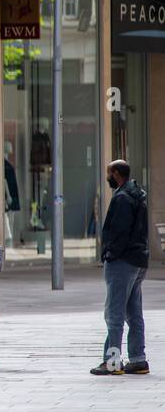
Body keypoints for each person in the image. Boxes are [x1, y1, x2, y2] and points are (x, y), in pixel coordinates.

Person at [92, 160, 150, 375]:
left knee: (114, 313)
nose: (107, 177)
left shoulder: (123, 198)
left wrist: (110, 254)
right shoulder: (137, 195)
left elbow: (118, 232)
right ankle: (138, 359)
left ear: (116, 174)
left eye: (109, 173)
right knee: (134, 312)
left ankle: (113, 362)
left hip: (122, 261)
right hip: (137, 259)